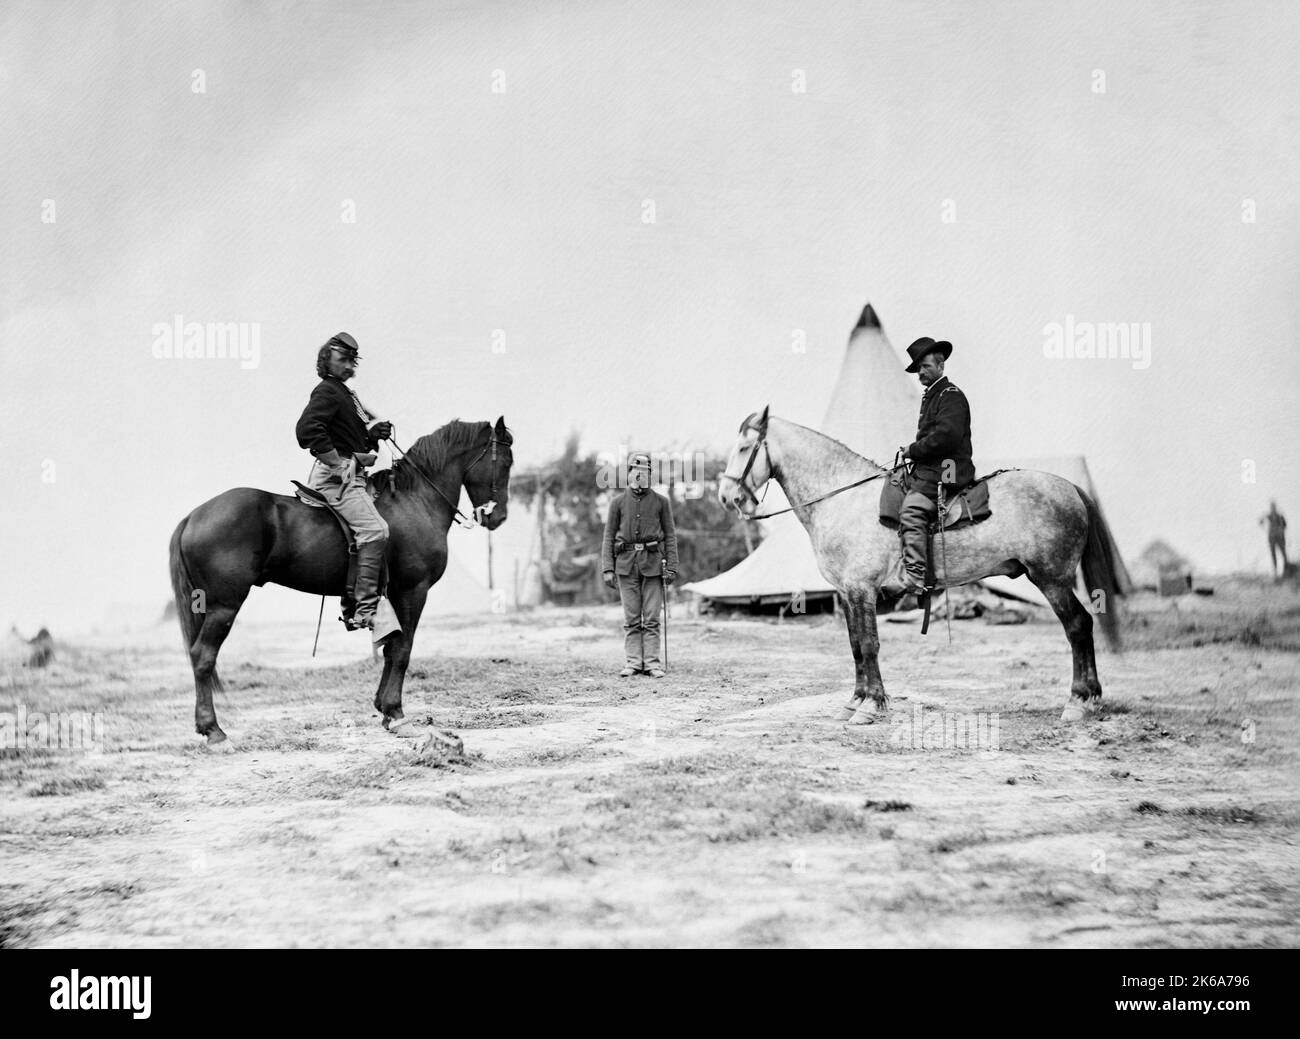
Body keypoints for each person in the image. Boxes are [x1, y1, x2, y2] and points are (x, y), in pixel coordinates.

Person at [294, 332, 394, 630]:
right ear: (327, 362)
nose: (349, 366)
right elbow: (307, 430)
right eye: (343, 360)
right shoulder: (327, 391)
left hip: (354, 472)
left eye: (353, 361)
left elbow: (350, 435)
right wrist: (337, 463)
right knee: (376, 530)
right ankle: (364, 611)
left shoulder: (346, 394)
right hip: (336, 478)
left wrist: (372, 435)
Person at [885, 336, 975, 597]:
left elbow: (946, 437)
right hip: (934, 467)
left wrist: (912, 450)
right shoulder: (933, 395)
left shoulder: (950, 396)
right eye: (919, 368)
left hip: (948, 468)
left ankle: (914, 575)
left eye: (925, 367)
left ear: (941, 366)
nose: (921, 373)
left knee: (911, 510)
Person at [601, 453, 679, 677]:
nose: (639, 475)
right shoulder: (617, 503)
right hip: (625, 566)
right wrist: (608, 568)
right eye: (636, 470)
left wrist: (672, 566)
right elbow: (608, 536)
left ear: (649, 475)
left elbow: (671, 535)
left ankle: (652, 663)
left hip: (653, 564)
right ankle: (634, 662)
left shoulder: (661, 502)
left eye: (644, 472)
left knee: (652, 617)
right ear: (629, 473)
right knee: (632, 618)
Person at [1260, 500, 1288, 578]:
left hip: (1279, 538)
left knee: (1283, 554)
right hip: (1272, 538)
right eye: (1271, 507)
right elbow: (1260, 522)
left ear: (1275, 507)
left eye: (1274, 507)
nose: (1273, 508)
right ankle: (1275, 571)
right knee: (1273, 554)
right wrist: (1263, 517)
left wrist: (1280, 530)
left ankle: (1286, 570)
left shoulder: (1280, 516)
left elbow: (1285, 526)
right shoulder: (1268, 515)